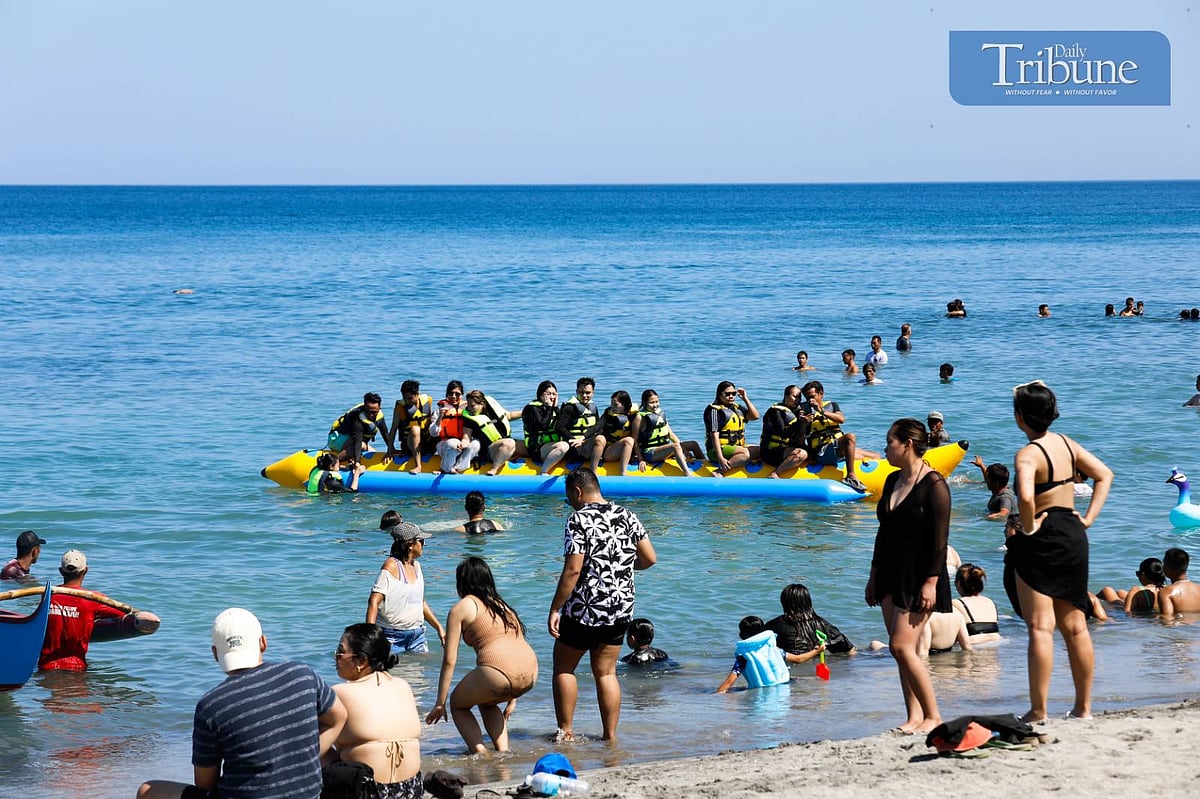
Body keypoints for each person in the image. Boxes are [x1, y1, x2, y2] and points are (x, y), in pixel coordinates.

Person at [136, 608, 347, 799]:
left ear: (215, 654)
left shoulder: (211, 705)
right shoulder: (302, 674)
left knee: (148, 790)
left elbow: (204, 783)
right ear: (263, 642)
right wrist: (304, 758)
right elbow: (339, 718)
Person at [1007, 380, 1113, 723]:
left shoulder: (1027, 454)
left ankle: (1039, 710)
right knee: (1075, 626)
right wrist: (1090, 518)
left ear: (1020, 418)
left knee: (1040, 627)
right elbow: (1104, 475)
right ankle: (1083, 708)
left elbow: (1025, 497)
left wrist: (1028, 525)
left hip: (1043, 533)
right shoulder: (1067, 444)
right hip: (1072, 531)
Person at [548, 468, 657, 741]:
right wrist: (621, 568)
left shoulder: (577, 519)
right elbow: (649, 559)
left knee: (564, 667)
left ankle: (567, 732)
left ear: (577, 492)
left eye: (569, 497)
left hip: (584, 608)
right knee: (606, 672)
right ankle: (610, 736)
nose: (570, 503)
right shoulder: (627, 515)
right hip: (620, 607)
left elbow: (573, 570)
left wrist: (555, 608)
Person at [865, 418, 951, 734]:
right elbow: (883, 533)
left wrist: (931, 582)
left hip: (919, 576)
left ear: (907, 444)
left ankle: (933, 715)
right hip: (889, 571)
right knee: (905, 652)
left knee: (900, 647)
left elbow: (940, 542)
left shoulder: (935, 485)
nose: (886, 448)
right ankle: (914, 717)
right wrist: (873, 576)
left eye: (890, 442)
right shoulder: (891, 480)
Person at [426, 557, 538, 755]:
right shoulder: (503, 607)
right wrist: (513, 698)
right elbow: (516, 649)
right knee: (487, 701)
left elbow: (450, 660)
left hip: (499, 671)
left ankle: (480, 752)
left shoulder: (462, 607)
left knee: (458, 704)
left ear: (462, 582)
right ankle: (503, 752)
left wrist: (440, 703)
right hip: (530, 672)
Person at [328, 623, 423, 799]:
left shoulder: (341, 692)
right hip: (411, 788)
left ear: (361, 661)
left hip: (367, 791)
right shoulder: (402, 686)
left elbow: (315, 747)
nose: (336, 658)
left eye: (340, 652)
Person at [40, 550, 160, 671]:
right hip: (76, 669)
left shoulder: (47, 596)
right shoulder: (93, 599)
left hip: (46, 667)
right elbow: (126, 615)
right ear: (85, 571)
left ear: (61, 571)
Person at [366, 521, 445, 654]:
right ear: (410, 544)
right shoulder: (391, 566)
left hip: (417, 636)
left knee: (418, 674)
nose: (424, 544)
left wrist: (439, 628)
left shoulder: (417, 567)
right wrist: (369, 637)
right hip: (392, 637)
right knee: (394, 673)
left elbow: (421, 602)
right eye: (422, 541)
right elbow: (374, 601)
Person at [715, 616, 822, 694]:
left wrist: (713, 698)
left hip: (762, 692)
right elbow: (799, 659)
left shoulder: (744, 656)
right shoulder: (773, 648)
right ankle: (820, 680)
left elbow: (729, 683)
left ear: (741, 635)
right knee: (798, 679)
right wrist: (816, 651)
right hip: (785, 690)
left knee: (736, 690)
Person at [799, 381, 867, 492]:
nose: (810, 401)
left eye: (812, 397)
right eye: (807, 398)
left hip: (838, 449)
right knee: (850, 437)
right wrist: (803, 423)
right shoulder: (805, 412)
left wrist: (821, 411)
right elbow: (801, 438)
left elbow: (841, 419)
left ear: (821, 394)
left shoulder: (831, 406)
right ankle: (851, 476)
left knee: (875, 455)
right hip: (822, 452)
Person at [766, 583, 855, 656]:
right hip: (814, 668)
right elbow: (849, 650)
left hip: (792, 670)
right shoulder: (822, 624)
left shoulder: (774, 625)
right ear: (809, 602)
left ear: (783, 602)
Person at [632, 389, 703, 476]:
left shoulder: (660, 413)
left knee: (693, 444)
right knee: (675, 446)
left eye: (657, 402)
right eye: (652, 402)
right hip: (650, 452)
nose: (655, 405)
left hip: (663, 449)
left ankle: (706, 465)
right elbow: (634, 440)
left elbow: (671, 435)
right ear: (644, 402)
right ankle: (687, 473)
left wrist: (683, 449)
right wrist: (641, 459)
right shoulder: (639, 417)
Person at [461, 390, 525, 475]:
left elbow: (509, 415)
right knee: (509, 443)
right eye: (468, 405)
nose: (469, 408)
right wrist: (462, 444)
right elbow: (466, 437)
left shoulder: (492, 407)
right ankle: (494, 469)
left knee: (529, 446)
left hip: (504, 443)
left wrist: (526, 411)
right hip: (489, 450)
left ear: (482, 404)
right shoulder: (469, 418)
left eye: (472, 406)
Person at [704, 381, 761, 474]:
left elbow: (755, 416)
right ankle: (719, 471)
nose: (731, 396)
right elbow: (714, 436)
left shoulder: (736, 408)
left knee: (761, 451)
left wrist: (745, 399)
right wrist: (720, 458)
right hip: (717, 450)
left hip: (736, 447)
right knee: (746, 455)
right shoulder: (714, 410)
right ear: (719, 394)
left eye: (733, 394)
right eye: (727, 394)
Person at [328, 392, 393, 468]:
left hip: (353, 440)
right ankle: (333, 463)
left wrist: (391, 450)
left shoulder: (379, 415)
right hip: (336, 438)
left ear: (379, 408)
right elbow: (358, 441)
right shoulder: (357, 418)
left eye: (374, 412)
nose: (371, 415)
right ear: (365, 407)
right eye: (369, 412)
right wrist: (357, 462)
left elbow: (385, 433)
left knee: (373, 452)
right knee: (361, 446)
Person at [556, 377, 607, 471]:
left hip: (587, 442)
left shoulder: (593, 408)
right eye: (581, 392)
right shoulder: (570, 408)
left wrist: (585, 439)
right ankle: (593, 472)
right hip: (575, 446)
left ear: (593, 392)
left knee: (602, 438)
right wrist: (573, 440)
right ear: (577, 391)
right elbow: (560, 427)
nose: (584, 395)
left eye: (588, 393)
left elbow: (597, 428)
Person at [758, 385, 810, 478]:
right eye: (794, 397)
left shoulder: (798, 413)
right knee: (802, 454)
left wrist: (804, 424)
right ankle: (775, 473)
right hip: (770, 452)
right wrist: (800, 423)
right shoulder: (775, 412)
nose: (797, 400)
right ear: (786, 396)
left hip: (785, 451)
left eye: (799, 398)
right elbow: (783, 433)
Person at [388, 380, 438, 474]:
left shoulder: (427, 401)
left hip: (427, 444)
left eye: (410, 398)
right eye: (405, 398)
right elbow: (393, 429)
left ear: (417, 394)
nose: (407, 401)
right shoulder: (400, 408)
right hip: (409, 446)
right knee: (415, 429)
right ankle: (418, 466)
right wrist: (390, 450)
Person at [522, 380, 570, 475]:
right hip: (537, 449)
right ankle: (544, 471)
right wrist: (549, 408)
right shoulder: (531, 409)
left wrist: (555, 408)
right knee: (563, 446)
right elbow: (543, 426)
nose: (552, 397)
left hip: (551, 446)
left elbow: (563, 426)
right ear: (540, 395)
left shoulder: (554, 409)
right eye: (548, 394)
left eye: (554, 394)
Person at [433, 380, 479, 475]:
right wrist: (440, 418)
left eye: (457, 394)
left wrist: (464, 443)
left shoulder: (468, 409)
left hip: (463, 444)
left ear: (462, 395)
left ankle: (457, 468)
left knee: (475, 444)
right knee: (454, 443)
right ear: (447, 394)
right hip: (445, 444)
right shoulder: (440, 410)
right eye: (451, 393)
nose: (454, 396)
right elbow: (433, 433)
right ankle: (445, 468)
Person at [952, 564, 1001, 645]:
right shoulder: (990, 602)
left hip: (974, 647)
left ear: (959, 584)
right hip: (997, 645)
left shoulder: (955, 603)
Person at [1097, 557, 1165, 614]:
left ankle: (1093, 605)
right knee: (1121, 593)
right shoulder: (1166, 589)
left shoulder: (1136, 590)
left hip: (1134, 614)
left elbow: (1127, 613)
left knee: (1107, 590)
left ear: (1143, 575)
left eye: (1138, 574)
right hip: (1148, 612)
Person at [597, 390, 639, 474]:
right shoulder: (608, 415)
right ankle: (623, 472)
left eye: (615, 404)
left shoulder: (634, 416)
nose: (612, 407)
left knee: (631, 440)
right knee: (629, 440)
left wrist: (640, 458)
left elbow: (636, 438)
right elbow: (597, 427)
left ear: (625, 405)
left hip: (626, 450)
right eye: (611, 404)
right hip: (608, 452)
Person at [1158, 547, 1200, 615]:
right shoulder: (1199, 588)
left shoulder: (1166, 592)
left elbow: (1167, 620)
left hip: (1181, 625)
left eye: (1164, 563)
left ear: (1168, 567)